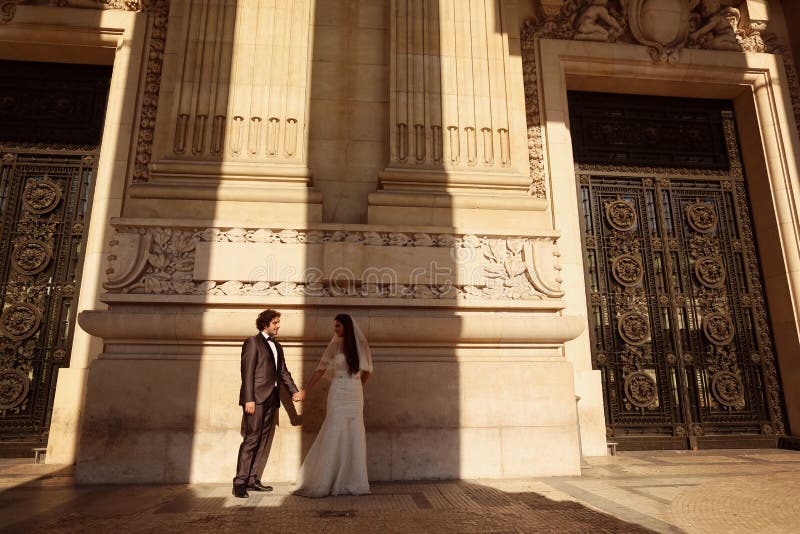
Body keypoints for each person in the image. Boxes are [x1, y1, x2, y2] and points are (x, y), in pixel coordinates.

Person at [293, 313, 373, 497]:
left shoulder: (361, 346)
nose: (335, 329)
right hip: (337, 392)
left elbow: (367, 371)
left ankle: (354, 481)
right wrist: (306, 390)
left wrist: (357, 385)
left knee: (354, 432)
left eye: (338, 326)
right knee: (334, 429)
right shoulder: (334, 346)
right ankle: (325, 480)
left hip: (354, 394)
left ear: (346, 326)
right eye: (335, 326)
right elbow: (320, 369)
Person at [233, 309, 302, 498]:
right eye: (275, 323)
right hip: (255, 399)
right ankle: (239, 483)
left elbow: (283, 372)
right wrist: (249, 398)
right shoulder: (252, 342)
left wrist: (294, 391)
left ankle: (252, 480)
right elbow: (246, 372)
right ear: (266, 324)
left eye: (278, 322)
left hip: (272, 399)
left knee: (263, 440)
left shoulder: (277, 346)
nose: (278, 326)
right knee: (251, 439)